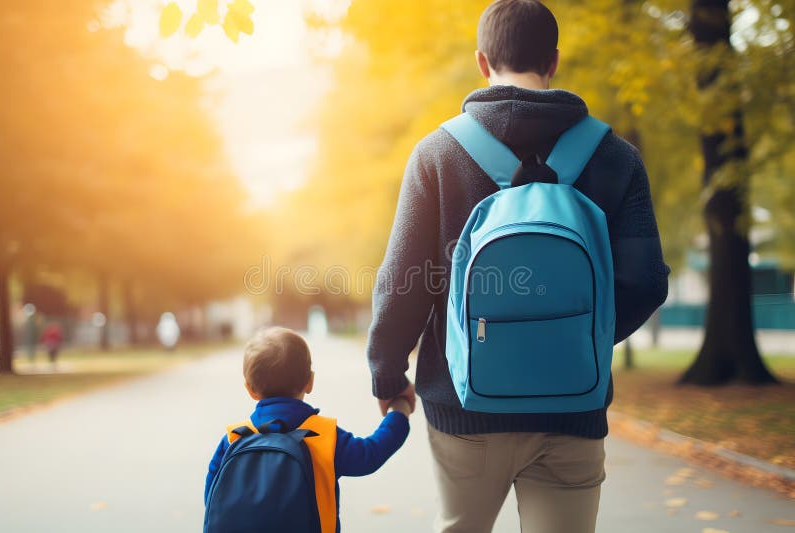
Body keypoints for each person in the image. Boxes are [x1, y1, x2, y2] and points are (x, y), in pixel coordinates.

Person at [366, 1, 670, 532]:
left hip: (464, 407)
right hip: (573, 408)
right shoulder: (615, 156)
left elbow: (404, 282)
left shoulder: (438, 154)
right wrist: (579, 340)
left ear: (483, 62)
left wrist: (388, 373)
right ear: (553, 61)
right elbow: (646, 282)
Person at [205, 327, 412, 532]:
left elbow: (212, 498)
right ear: (309, 382)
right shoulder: (324, 435)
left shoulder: (234, 438)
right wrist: (398, 412)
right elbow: (371, 453)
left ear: (250, 389)